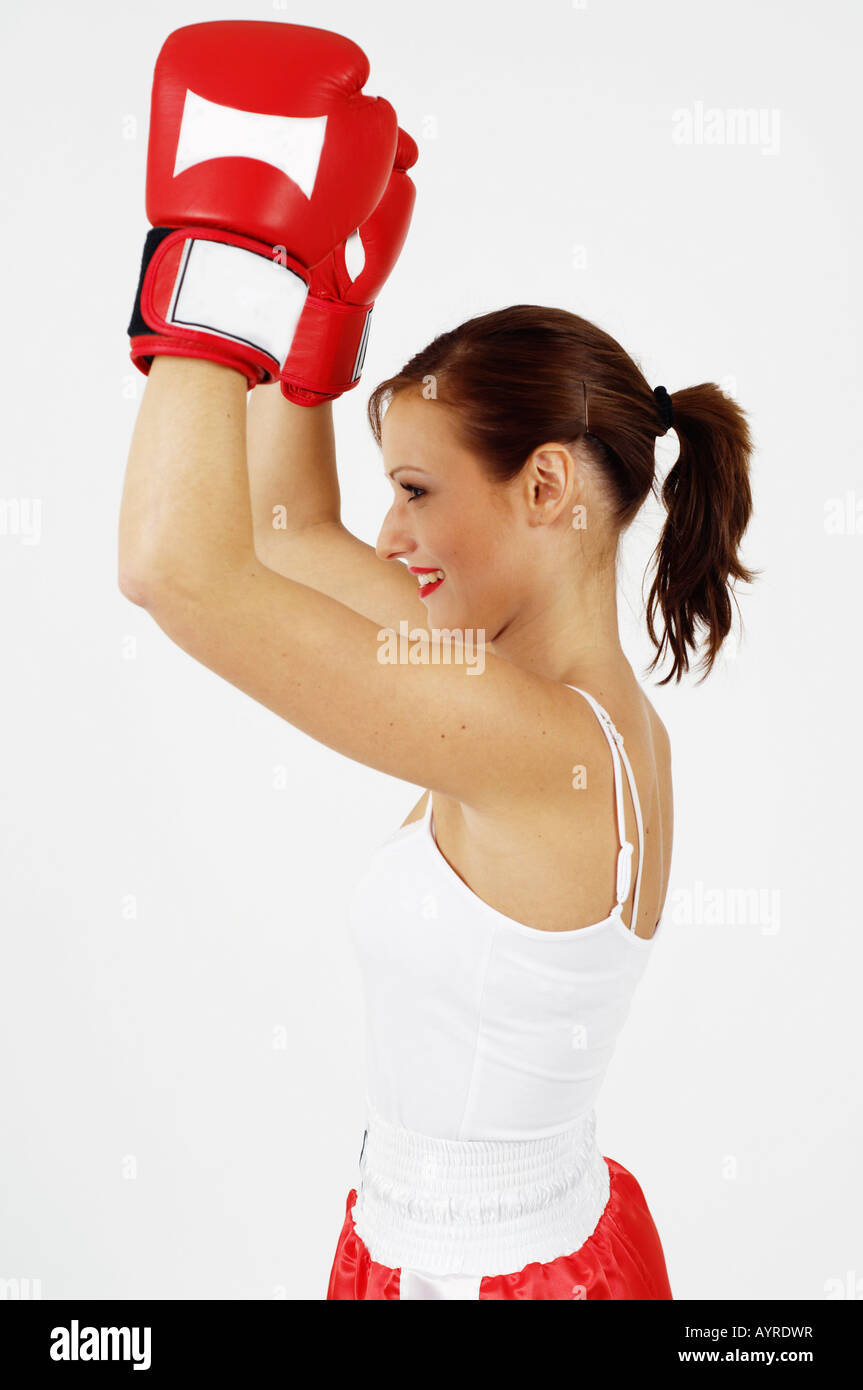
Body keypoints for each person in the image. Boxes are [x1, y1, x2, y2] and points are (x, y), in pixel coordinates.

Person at [119, 21, 756, 1300]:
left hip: (486, 1279)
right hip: (494, 1239)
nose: (389, 531)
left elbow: (172, 568)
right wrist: (321, 312)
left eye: (414, 488)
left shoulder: (534, 748)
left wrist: (219, 273)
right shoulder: (569, 715)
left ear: (545, 488)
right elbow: (286, 534)